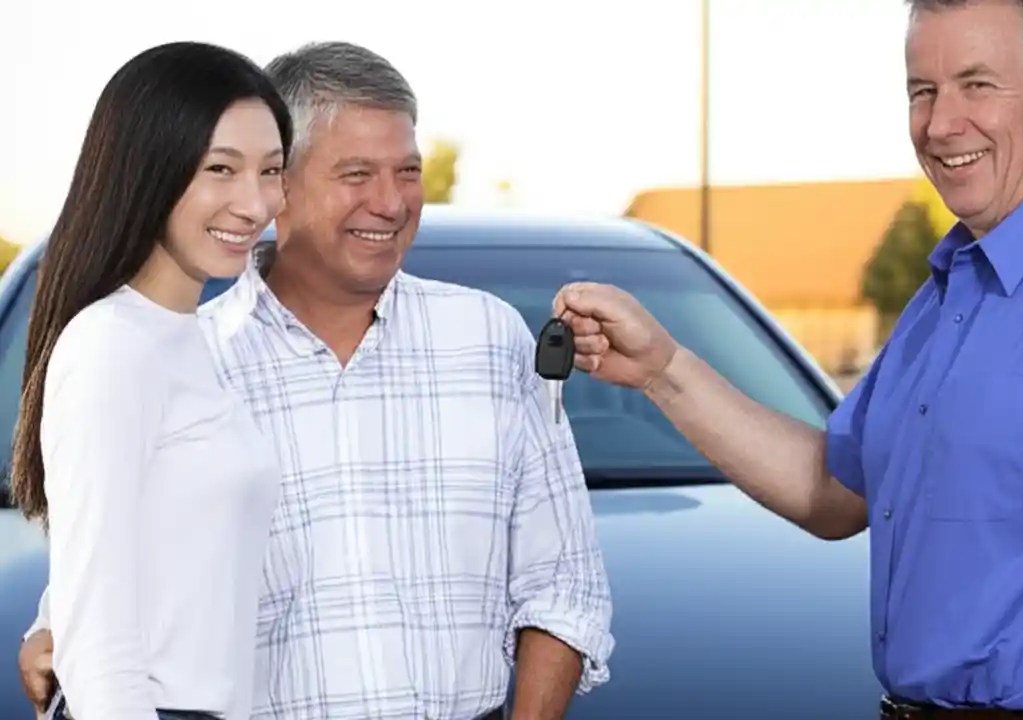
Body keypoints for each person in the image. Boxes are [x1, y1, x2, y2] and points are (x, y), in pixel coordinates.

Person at [550, 1, 1023, 718]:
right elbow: (831, 490)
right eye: (923, 91)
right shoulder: (949, 291)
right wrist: (662, 370)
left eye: (978, 85)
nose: (941, 123)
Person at [18, 41, 613, 720]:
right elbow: (106, 603)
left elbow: (563, 582)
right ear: (288, 188)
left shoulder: (491, 339)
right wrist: (57, 630)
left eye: (408, 170)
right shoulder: (178, 357)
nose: (390, 203)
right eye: (356, 173)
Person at [8, 42, 292, 720]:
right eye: (220, 169)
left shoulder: (183, 338)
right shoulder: (113, 344)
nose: (254, 204)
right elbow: (97, 635)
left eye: (272, 171)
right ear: (146, 170)